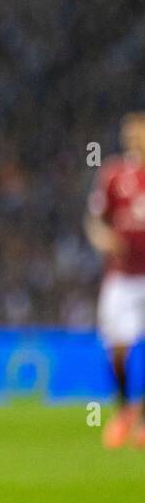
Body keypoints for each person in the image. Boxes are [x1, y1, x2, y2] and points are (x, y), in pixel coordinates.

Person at [85, 112, 145, 448]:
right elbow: (95, 221)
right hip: (121, 277)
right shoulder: (112, 173)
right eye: (130, 136)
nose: (134, 141)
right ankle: (124, 410)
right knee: (118, 349)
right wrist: (103, 239)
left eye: (140, 136)